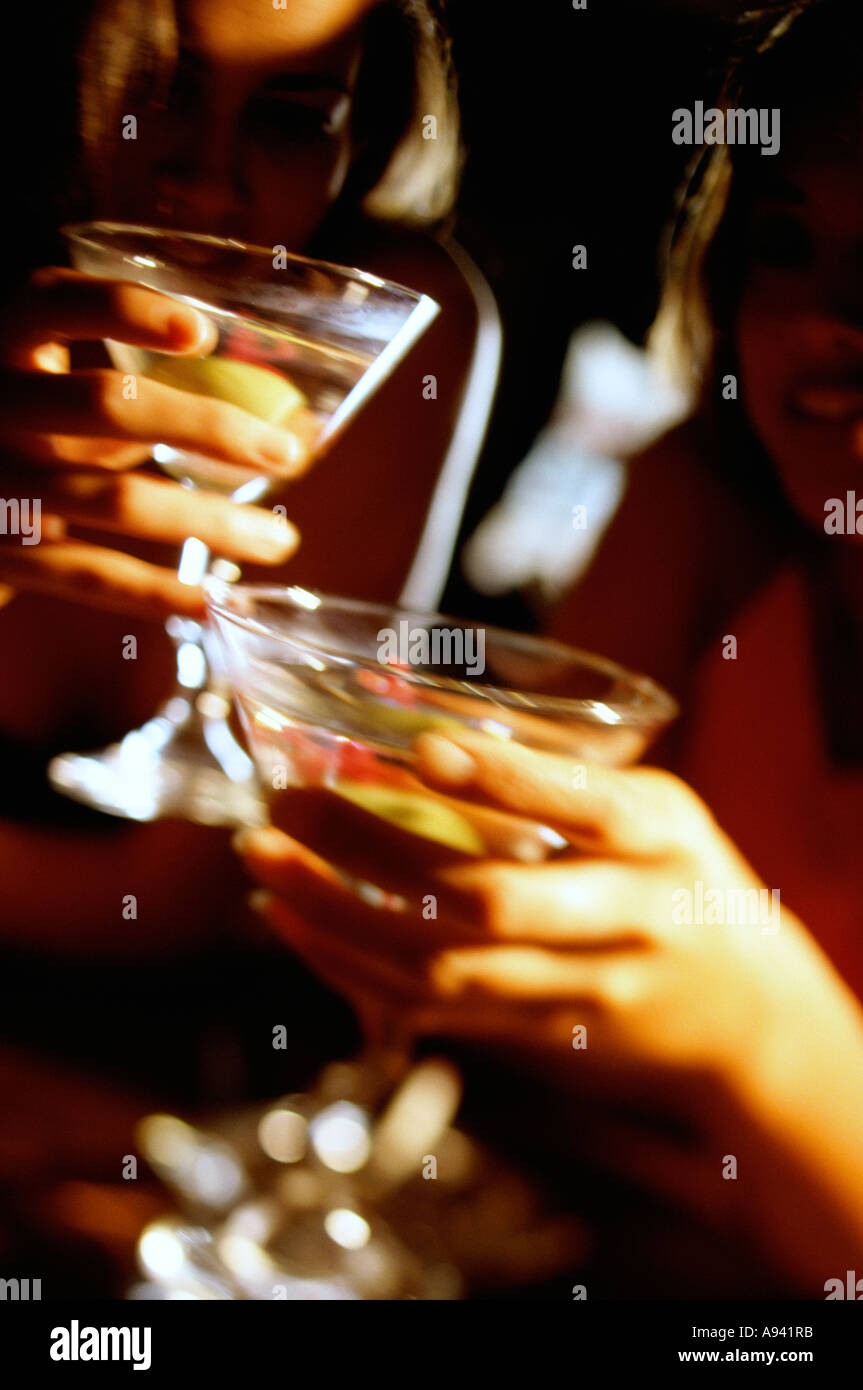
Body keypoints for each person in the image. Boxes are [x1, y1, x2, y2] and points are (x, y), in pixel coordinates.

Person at [239, 0, 863, 1296]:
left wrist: (761, 1036)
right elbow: (527, 1013)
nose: (818, 331)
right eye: (786, 244)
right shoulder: (709, 513)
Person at [0, 0, 496, 952]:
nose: (207, 183)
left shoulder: (386, 318)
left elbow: (204, 888)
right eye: (153, 93)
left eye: (292, 118)